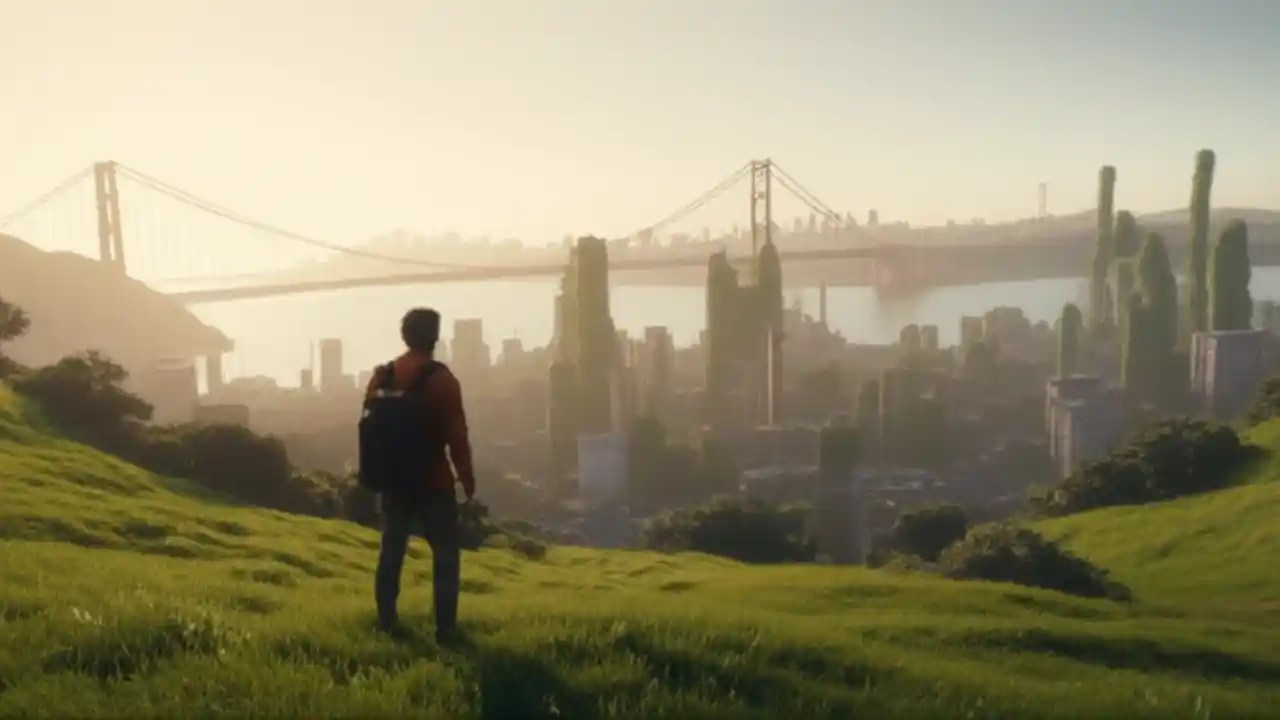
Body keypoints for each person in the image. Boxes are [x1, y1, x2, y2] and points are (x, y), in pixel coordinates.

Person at [365, 307, 475, 642]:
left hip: (393, 480)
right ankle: (445, 629)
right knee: (445, 556)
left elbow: (372, 430)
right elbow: (456, 435)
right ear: (435, 337)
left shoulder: (380, 377)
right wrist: (466, 478)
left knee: (391, 552)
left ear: (404, 336)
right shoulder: (442, 380)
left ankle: (386, 621)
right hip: (434, 481)